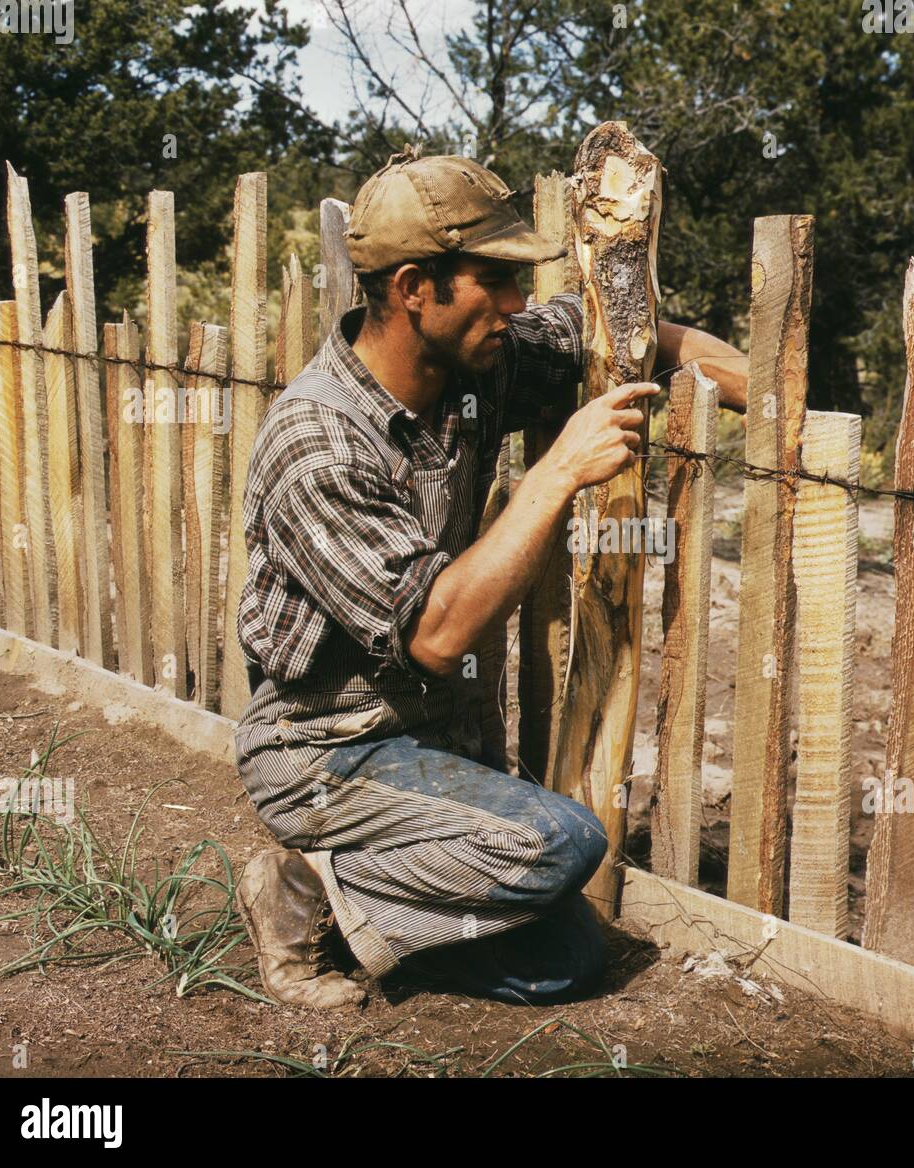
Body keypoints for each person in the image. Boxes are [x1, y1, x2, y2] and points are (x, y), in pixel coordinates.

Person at [232, 146, 747, 1009]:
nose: (516, 306)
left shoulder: (478, 358)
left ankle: (372, 916)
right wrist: (555, 474)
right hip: (329, 750)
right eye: (493, 282)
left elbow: (632, 338)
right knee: (563, 843)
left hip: (431, 747)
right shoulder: (315, 444)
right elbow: (434, 637)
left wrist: (768, 396)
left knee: (567, 963)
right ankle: (301, 886)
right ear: (411, 288)